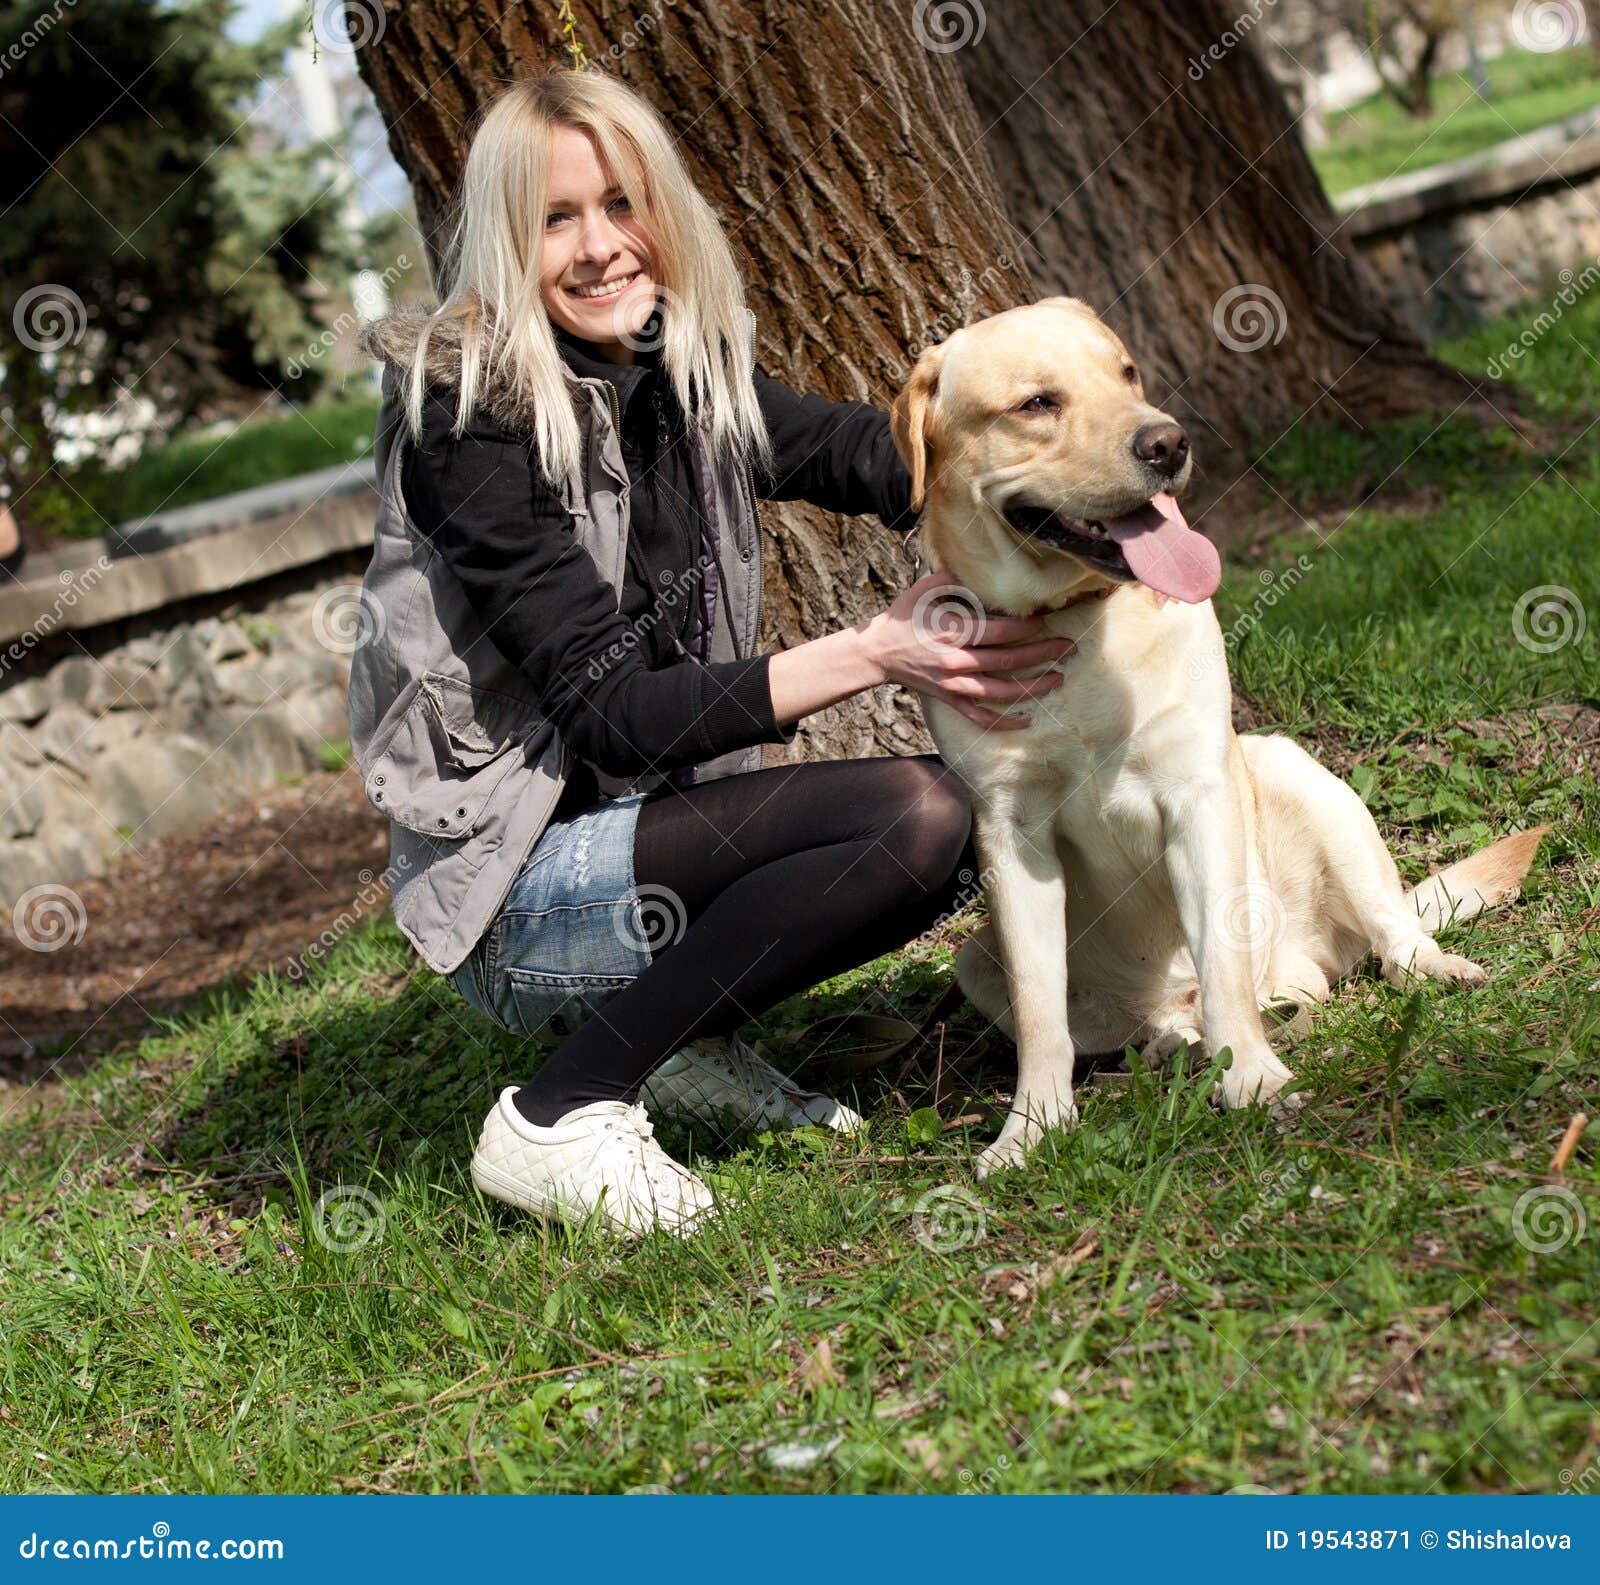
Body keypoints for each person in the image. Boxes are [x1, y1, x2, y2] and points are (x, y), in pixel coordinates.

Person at [350, 69, 1076, 1238]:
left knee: (951, 834)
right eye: (554, 219)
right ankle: (560, 1109)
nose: (599, 248)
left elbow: (861, 456)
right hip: (515, 895)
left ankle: (681, 1044)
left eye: (622, 204)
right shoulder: (468, 413)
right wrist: (878, 650)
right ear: (502, 237)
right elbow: (613, 715)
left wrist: (1061, 465)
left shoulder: (679, 367)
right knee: (918, 816)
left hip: (648, 848)